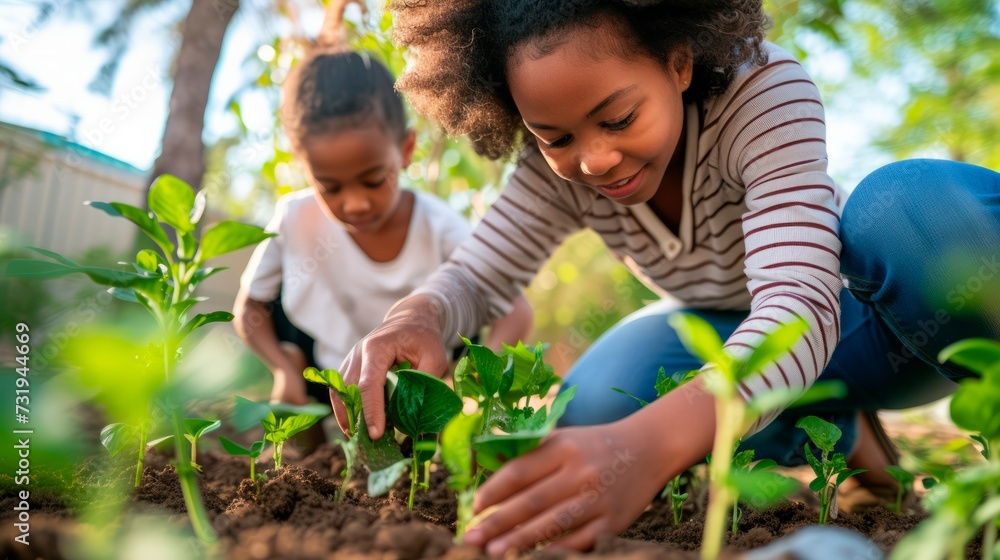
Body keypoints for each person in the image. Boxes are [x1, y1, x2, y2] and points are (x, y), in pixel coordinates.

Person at [336, 0, 1000, 554]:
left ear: (678, 62)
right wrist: (416, 319)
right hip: (716, 335)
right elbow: (477, 278)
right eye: (554, 136)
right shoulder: (555, 171)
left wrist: (648, 446)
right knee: (588, 416)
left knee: (926, 214)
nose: (594, 159)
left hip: (869, 331)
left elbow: (797, 307)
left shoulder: (764, 95)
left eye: (619, 118)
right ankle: (846, 437)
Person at [232, 5, 534, 452]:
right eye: (329, 186)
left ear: (406, 150)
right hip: (326, 369)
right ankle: (312, 470)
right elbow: (250, 310)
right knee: (292, 415)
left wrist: (468, 390)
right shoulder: (295, 217)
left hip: (420, 375)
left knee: (422, 457)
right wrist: (282, 368)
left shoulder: (437, 225)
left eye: (374, 179)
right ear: (304, 165)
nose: (355, 202)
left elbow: (516, 311)